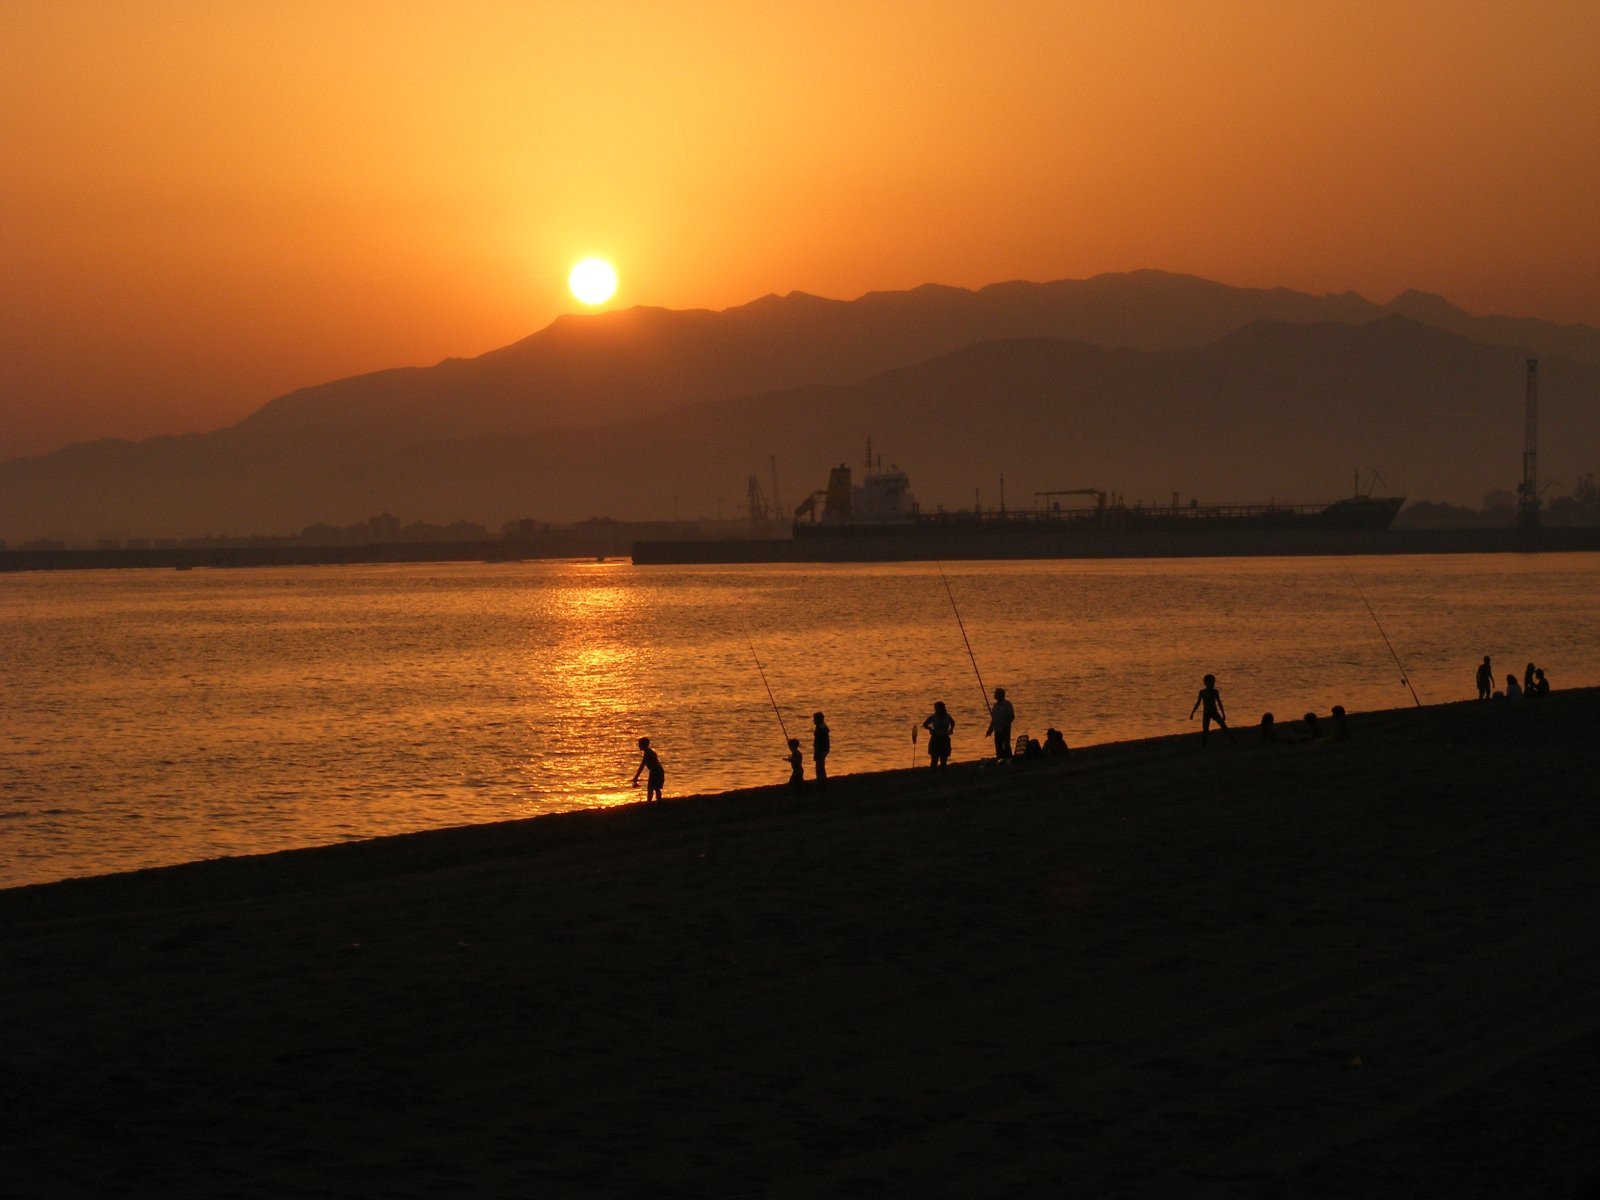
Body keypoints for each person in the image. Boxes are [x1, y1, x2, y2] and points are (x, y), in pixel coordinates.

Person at [1188, 673, 1234, 745]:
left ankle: (1234, 741)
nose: (1213, 684)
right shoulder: (1202, 692)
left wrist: (1223, 713)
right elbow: (1198, 703)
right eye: (1212, 682)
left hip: (1214, 712)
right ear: (1206, 683)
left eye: (1214, 682)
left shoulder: (1215, 692)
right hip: (1206, 713)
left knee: (1224, 727)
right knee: (1205, 731)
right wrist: (1192, 713)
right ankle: (1204, 745)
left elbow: (1219, 702)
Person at [922, 701, 955, 770]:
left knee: (944, 759)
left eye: (937, 708)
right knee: (934, 759)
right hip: (935, 739)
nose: (936, 710)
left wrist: (951, 729)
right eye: (935, 708)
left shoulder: (947, 716)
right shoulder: (933, 717)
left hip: (945, 738)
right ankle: (933, 773)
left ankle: (943, 774)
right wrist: (930, 728)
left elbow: (953, 723)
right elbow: (925, 724)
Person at [631, 736, 664, 802]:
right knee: (656, 788)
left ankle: (650, 803)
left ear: (643, 745)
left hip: (655, 771)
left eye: (640, 744)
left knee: (651, 788)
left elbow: (642, 766)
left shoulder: (648, 753)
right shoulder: (649, 752)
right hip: (657, 770)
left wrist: (636, 777)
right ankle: (658, 802)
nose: (639, 746)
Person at [986, 687, 1015, 759]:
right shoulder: (995, 706)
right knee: (998, 746)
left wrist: (1005, 724)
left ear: (1001, 695)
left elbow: (1011, 716)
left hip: (1005, 729)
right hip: (997, 729)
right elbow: (994, 720)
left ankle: (1009, 759)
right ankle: (1000, 759)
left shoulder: (1007, 704)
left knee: (1006, 745)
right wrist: (990, 729)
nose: (994, 695)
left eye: (996, 694)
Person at [811, 712, 830, 787]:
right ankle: (822, 781)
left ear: (818, 719)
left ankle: (821, 782)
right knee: (820, 766)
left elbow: (819, 741)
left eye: (814, 719)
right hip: (823, 749)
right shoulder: (822, 727)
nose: (813, 720)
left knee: (819, 767)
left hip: (821, 750)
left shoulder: (820, 728)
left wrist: (816, 751)